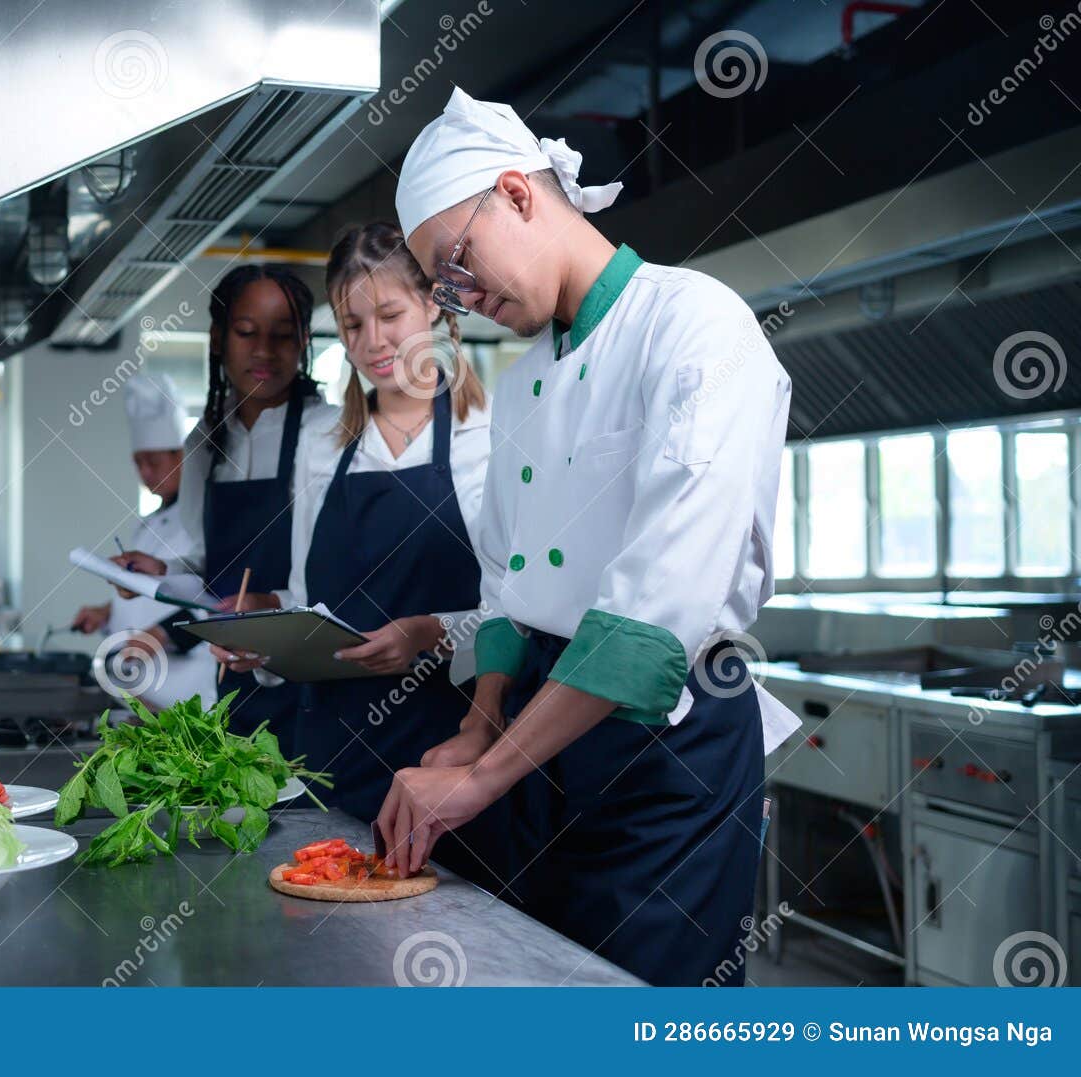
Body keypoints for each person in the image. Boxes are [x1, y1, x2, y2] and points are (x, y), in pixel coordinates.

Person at [375, 87, 799, 987]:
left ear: (518, 195)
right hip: (545, 734)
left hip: (663, 752)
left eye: (457, 262)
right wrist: (481, 726)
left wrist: (485, 779)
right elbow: (505, 586)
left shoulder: (695, 325)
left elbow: (651, 619)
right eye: (441, 285)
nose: (458, 296)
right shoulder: (527, 382)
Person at [211, 222, 515, 892]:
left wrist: (430, 633)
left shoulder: (489, 437)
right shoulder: (323, 443)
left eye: (389, 314)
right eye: (351, 324)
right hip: (327, 756)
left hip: (443, 755)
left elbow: (518, 613)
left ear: (434, 303)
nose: (372, 342)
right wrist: (263, 637)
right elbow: (301, 596)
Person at [113, 266, 338, 748]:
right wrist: (158, 572)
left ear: (303, 342)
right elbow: (203, 569)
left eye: (283, 336)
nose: (264, 351)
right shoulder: (204, 443)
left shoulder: (331, 433)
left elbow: (343, 579)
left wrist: (270, 606)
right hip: (234, 677)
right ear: (218, 339)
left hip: (318, 682)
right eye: (246, 333)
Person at [70, 371, 216, 710]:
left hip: (188, 697)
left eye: (153, 462)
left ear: (182, 457)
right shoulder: (147, 524)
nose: (145, 473)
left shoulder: (205, 519)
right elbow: (152, 594)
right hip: (142, 697)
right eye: (139, 463)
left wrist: (160, 634)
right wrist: (106, 612)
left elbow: (215, 600)